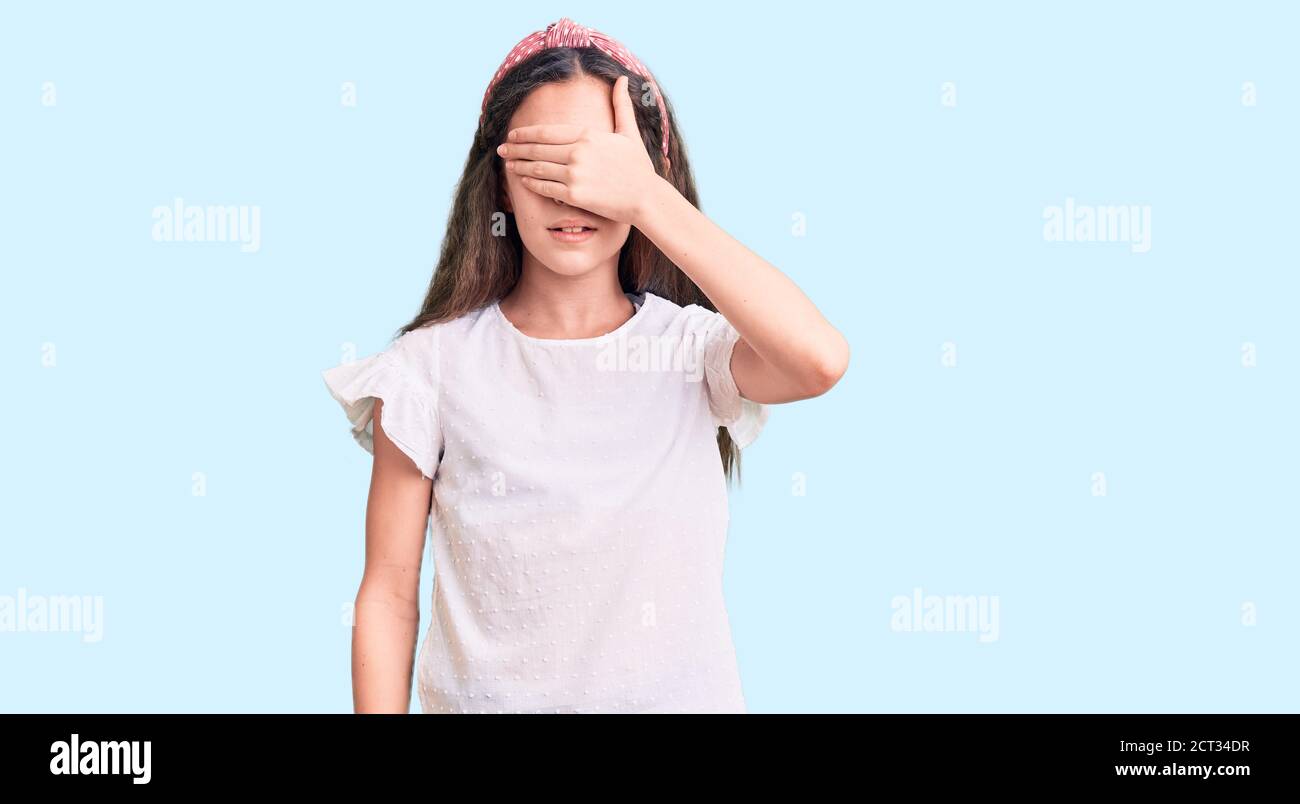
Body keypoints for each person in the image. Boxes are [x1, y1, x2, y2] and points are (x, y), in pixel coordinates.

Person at [323, 17, 849, 713]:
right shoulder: (430, 370)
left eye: (600, 171)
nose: (574, 196)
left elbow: (818, 360)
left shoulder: (693, 352)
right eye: (546, 167)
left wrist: (648, 197)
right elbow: (389, 592)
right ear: (500, 183)